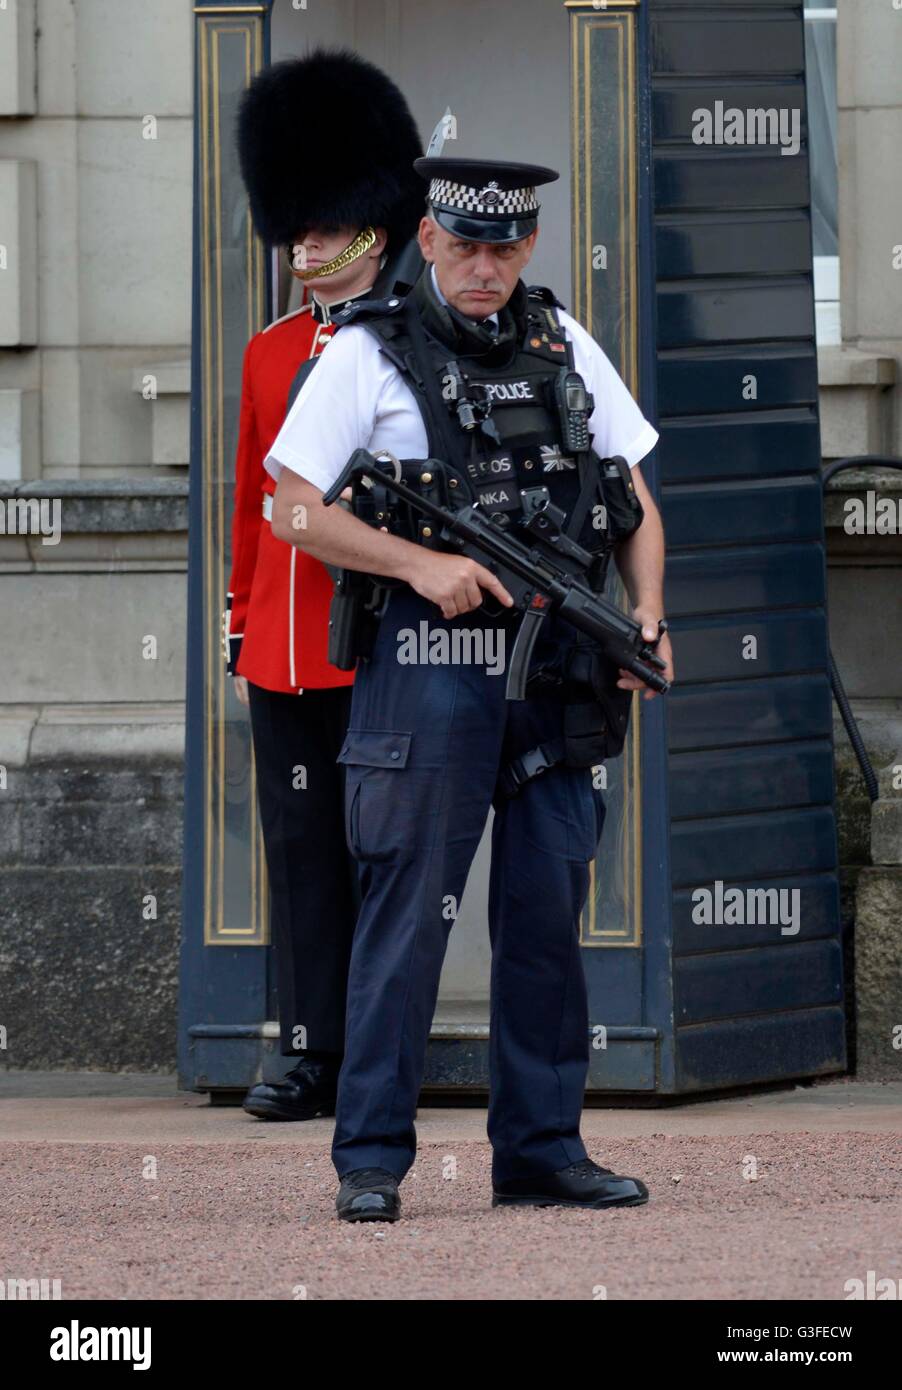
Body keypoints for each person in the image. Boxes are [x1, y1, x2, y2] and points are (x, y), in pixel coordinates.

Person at [266, 155, 675, 1220]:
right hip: (426, 665)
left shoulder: (560, 342)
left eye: (505, 248)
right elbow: (294, 511)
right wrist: (418, 566)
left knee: (545, 912)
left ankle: (540, 1148)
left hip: (553, 668)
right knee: (405, 915)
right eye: (466, 247)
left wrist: (644, 618)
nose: (485, 267)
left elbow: (630, 494)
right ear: (431, 242)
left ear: (526, 247)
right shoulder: (368, 353)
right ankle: (369, 1158)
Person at [224, 50, 424, 1121]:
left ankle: (375, 1056)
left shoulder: (411, 350)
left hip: (379, 634)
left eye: (321, 224)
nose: (304, 244)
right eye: (294, 225)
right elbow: (251, 503)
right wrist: (242, 614)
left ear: (371, 226)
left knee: (385, 854)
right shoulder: (266, 352)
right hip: (283, 646)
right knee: (301, 859)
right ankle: (307, 1054)